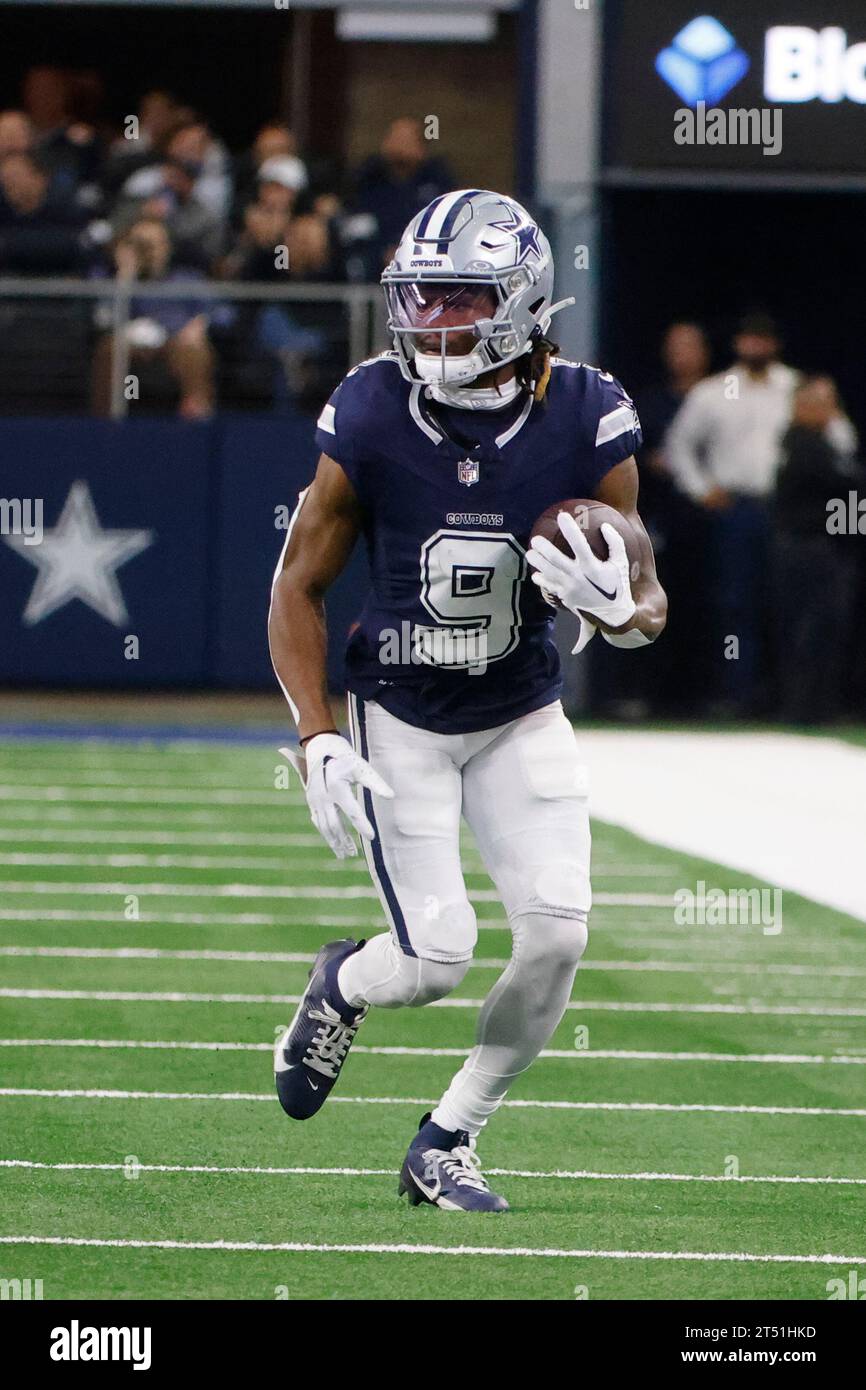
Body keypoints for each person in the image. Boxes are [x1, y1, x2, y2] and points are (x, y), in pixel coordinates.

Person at [268, 189, 667, 1211]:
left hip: (519, 709)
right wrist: (316, 733)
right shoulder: (367, 408)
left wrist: (620, 607)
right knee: (433, 955)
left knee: (558, 933)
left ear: (522, 301)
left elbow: (649, 602)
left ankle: (447, 1137)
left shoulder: (587, 411)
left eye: (456, 298)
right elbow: (296, 586)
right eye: (420, 298)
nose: (429, 321)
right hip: (398, 711)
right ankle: (341, 984)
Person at [665, 313, 798, 713]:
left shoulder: (794, 387)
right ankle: (737, 694)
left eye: (763, 340)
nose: (756, 347)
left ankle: (789, 696)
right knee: (734, 602)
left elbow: (835, 433)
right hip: (736, 510)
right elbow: (679, 446)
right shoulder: (715, 391)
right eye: (749, 339)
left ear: (774, 344)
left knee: (785, 601)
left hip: (787, 510)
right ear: (739, 343)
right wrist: (703, 491)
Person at [772, 377, 862, 724]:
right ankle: (805, 709)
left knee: (821, 628)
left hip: (813, 547)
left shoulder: (820, 442)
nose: (831, 411)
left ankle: (816, 706)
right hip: (806, 548)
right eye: (822, 403)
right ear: (801, 407)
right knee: (810, 627)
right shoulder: (804, 444)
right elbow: (845, 483)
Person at [90, 217, 215, 418]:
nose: (150, 251)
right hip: (131, 343)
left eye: (155, 244)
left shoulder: (188, 279)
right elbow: (103, 318)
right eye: (142, 245)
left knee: (195, 350)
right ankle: (109, 422)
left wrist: (200, 323)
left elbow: (221, 312)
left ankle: (196, 421)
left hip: (176, 341)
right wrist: (125, 278)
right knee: (112, 349)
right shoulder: (110, 278)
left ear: (168, 247)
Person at [347, 117, 453, 278]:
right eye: (394, 138)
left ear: (421, 148)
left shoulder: (437, 181)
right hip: (375, 258)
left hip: (424, 259)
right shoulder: (368, 178)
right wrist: (383, 250)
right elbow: (357, 222)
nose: (398, 146)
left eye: (405, 140)